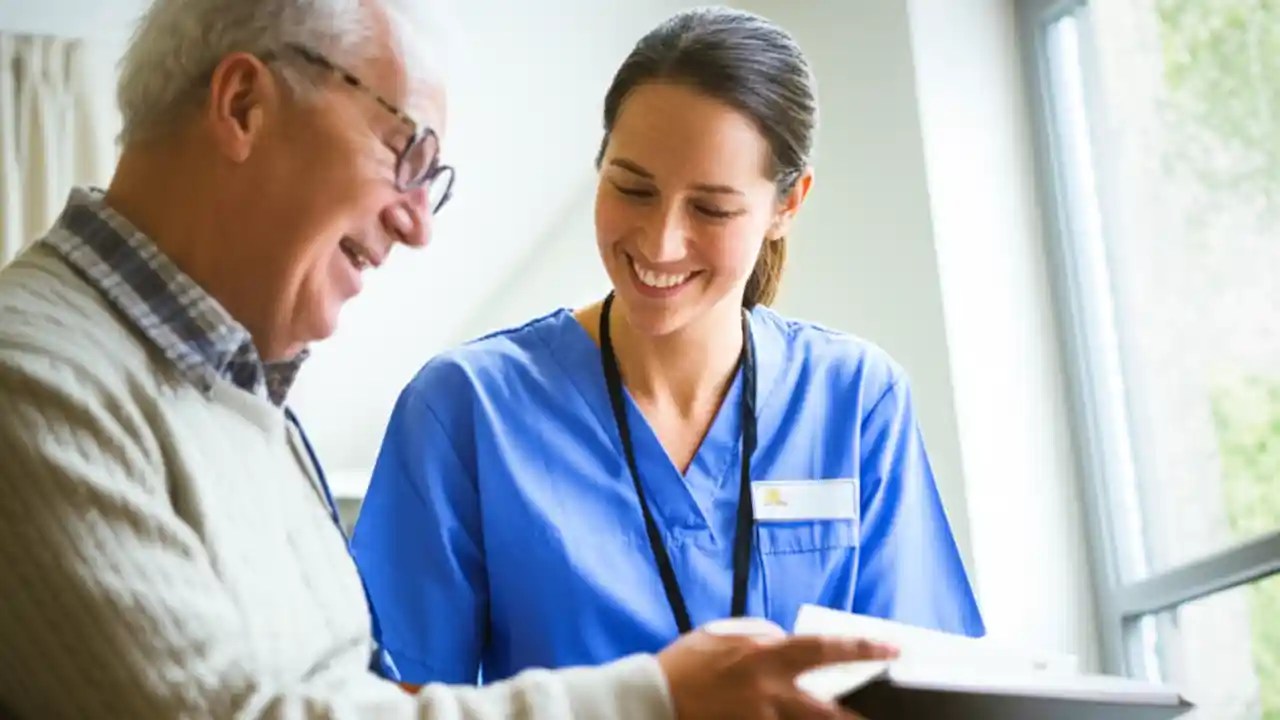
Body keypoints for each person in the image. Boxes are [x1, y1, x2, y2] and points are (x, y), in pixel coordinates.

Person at [0, 0, 898, 717]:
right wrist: (657, 700)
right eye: (407, 152)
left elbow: (357, 693)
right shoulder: (33, 380)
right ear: (243, 105)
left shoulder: (241, 402)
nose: (420, 223)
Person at [351, 4, 985, 692]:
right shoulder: (466, 410)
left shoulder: (856, 400)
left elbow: (925, 686)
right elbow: (392, 702)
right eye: (633, 188)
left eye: (711, 208)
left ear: (787, 204)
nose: (660, 243)